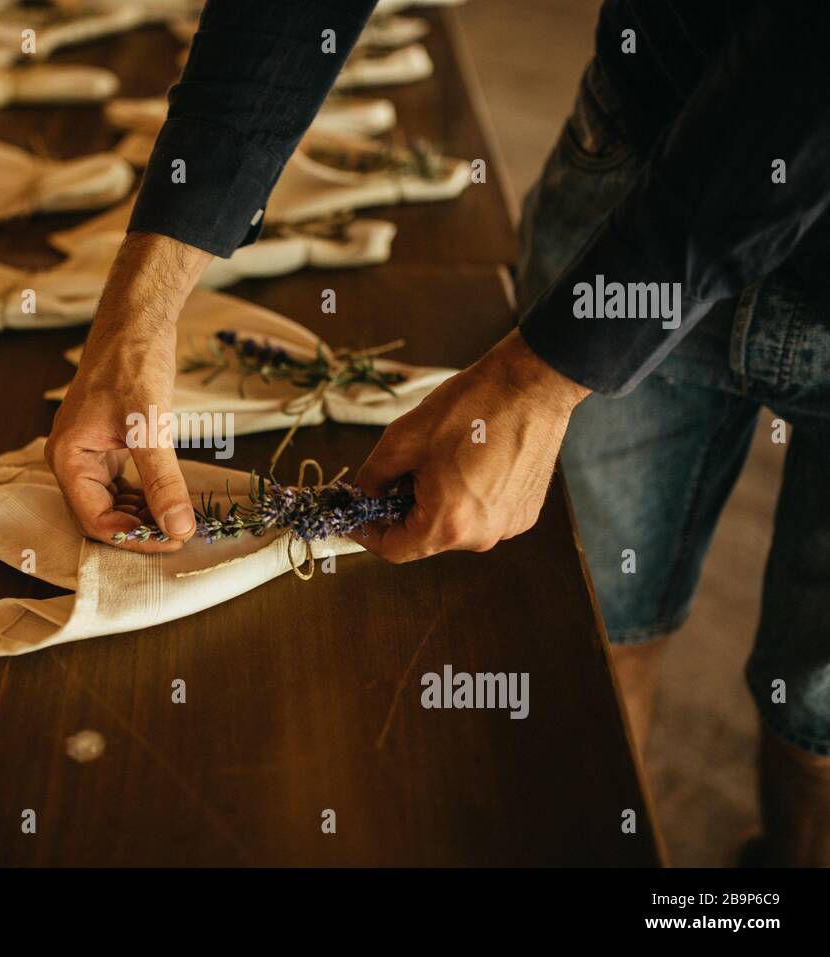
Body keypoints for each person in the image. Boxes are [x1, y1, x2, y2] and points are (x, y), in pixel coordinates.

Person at [44, 0, 830, 865]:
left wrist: (540, 380)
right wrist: (142, 305)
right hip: (644, 165)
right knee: (600, 631)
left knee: (818, 714)